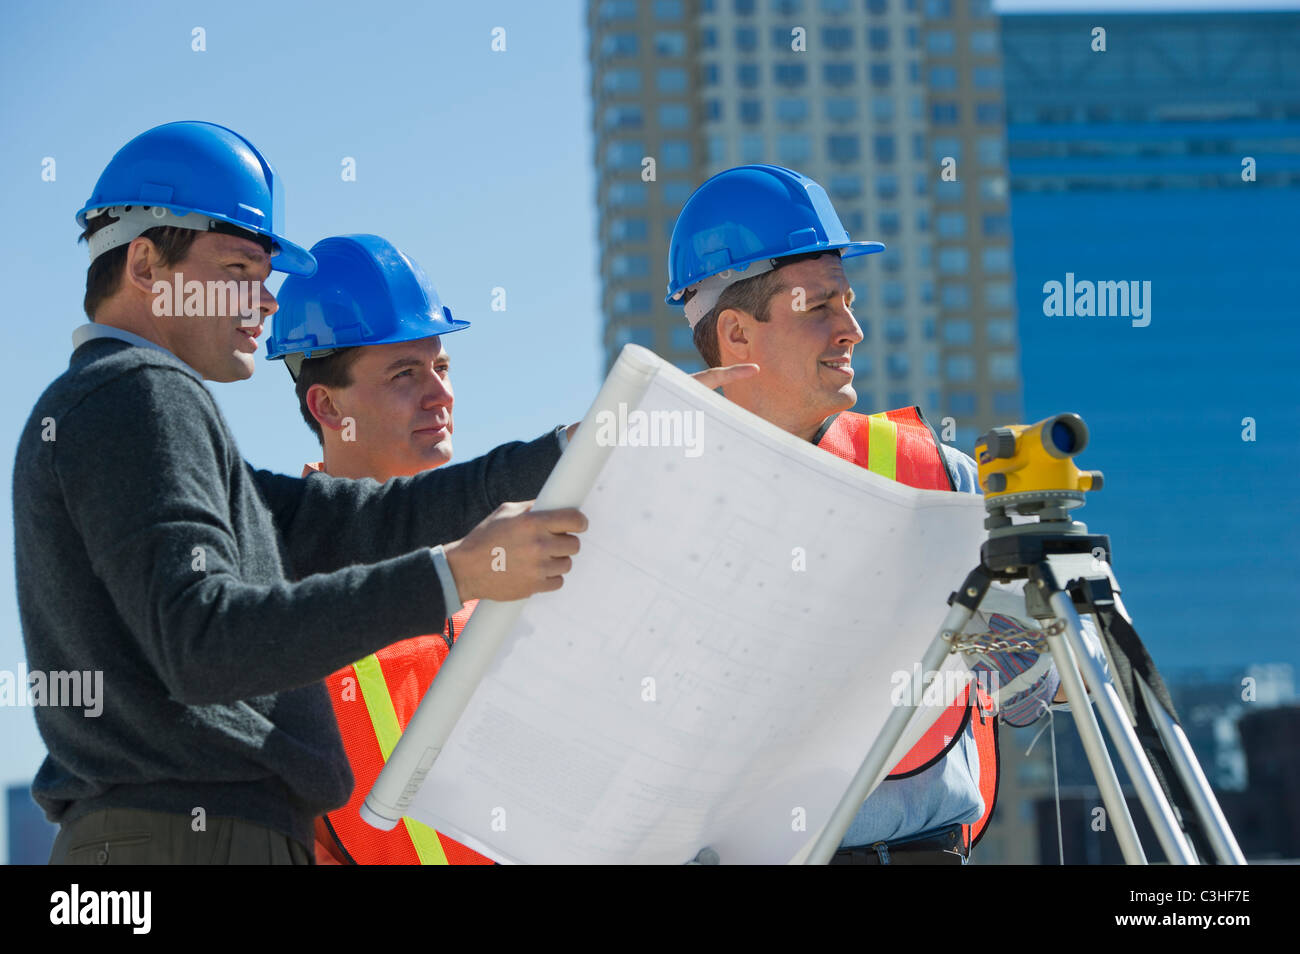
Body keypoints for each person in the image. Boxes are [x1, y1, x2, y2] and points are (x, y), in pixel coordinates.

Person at [14, 122, 587, 865]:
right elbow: (205, 643)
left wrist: (576, 448)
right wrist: (458, 573)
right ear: (148, 264)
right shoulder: (139, 394)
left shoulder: (127, 408)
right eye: (240, 269)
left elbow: (374, 519)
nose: (266, 303)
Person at [665, 163, 1072, 864]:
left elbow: (1052, 688)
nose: (852, 329)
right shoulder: (655, 511)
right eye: (818, 306)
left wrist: (1027, 648)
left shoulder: (940, 478)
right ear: (735, 333)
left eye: (848, 302)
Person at [266, 233, 493, 864]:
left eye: (441, 368)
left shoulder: (497, 554)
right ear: (328, 404)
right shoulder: (276, 577)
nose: (439, 395)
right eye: (405, 374)